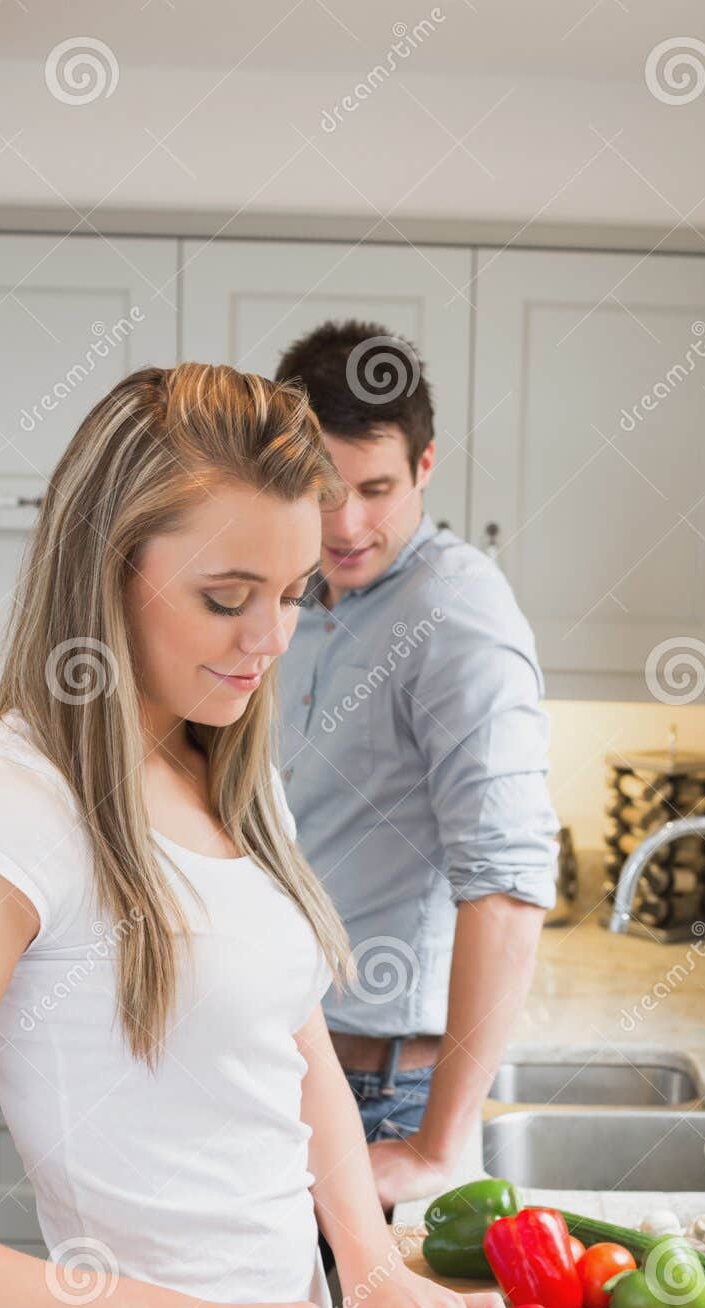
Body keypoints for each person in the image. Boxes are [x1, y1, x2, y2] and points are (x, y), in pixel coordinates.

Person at [0, 363, 507, 1308]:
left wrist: (370, 1268)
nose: (271, 639)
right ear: (106, 568)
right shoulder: (25, 810)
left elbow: (293, 1045)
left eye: (291, 592)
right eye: (228, 596)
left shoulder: (215, 755)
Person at [274, 322, 559, 1212]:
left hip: (382, 1097)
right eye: (321, 489)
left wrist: (436, 1147)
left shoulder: (457, 615)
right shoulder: (295, 597)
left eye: (377, 489)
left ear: (425, 466)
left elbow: (509, 883)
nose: (347, 524)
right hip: (290, 1067)